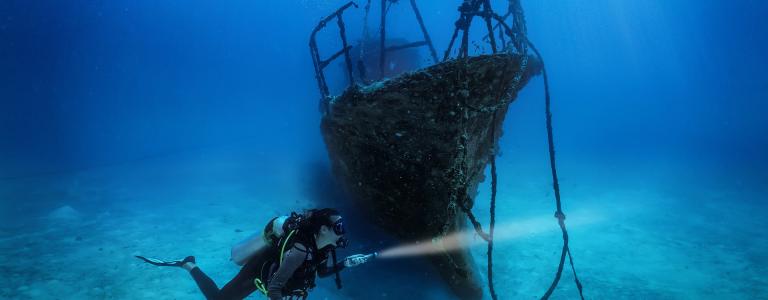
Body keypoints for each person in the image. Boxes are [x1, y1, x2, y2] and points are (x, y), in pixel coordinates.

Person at [136, 208, 374, 300]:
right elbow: (274, 290)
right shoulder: (300, 251)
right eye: (339, 227)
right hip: (258, 272)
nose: (343, 231)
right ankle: (188, 265)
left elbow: (321, 274)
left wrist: (345, 264)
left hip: (273, 276)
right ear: (323, 229)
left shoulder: (326, 247)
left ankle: (189, 264)